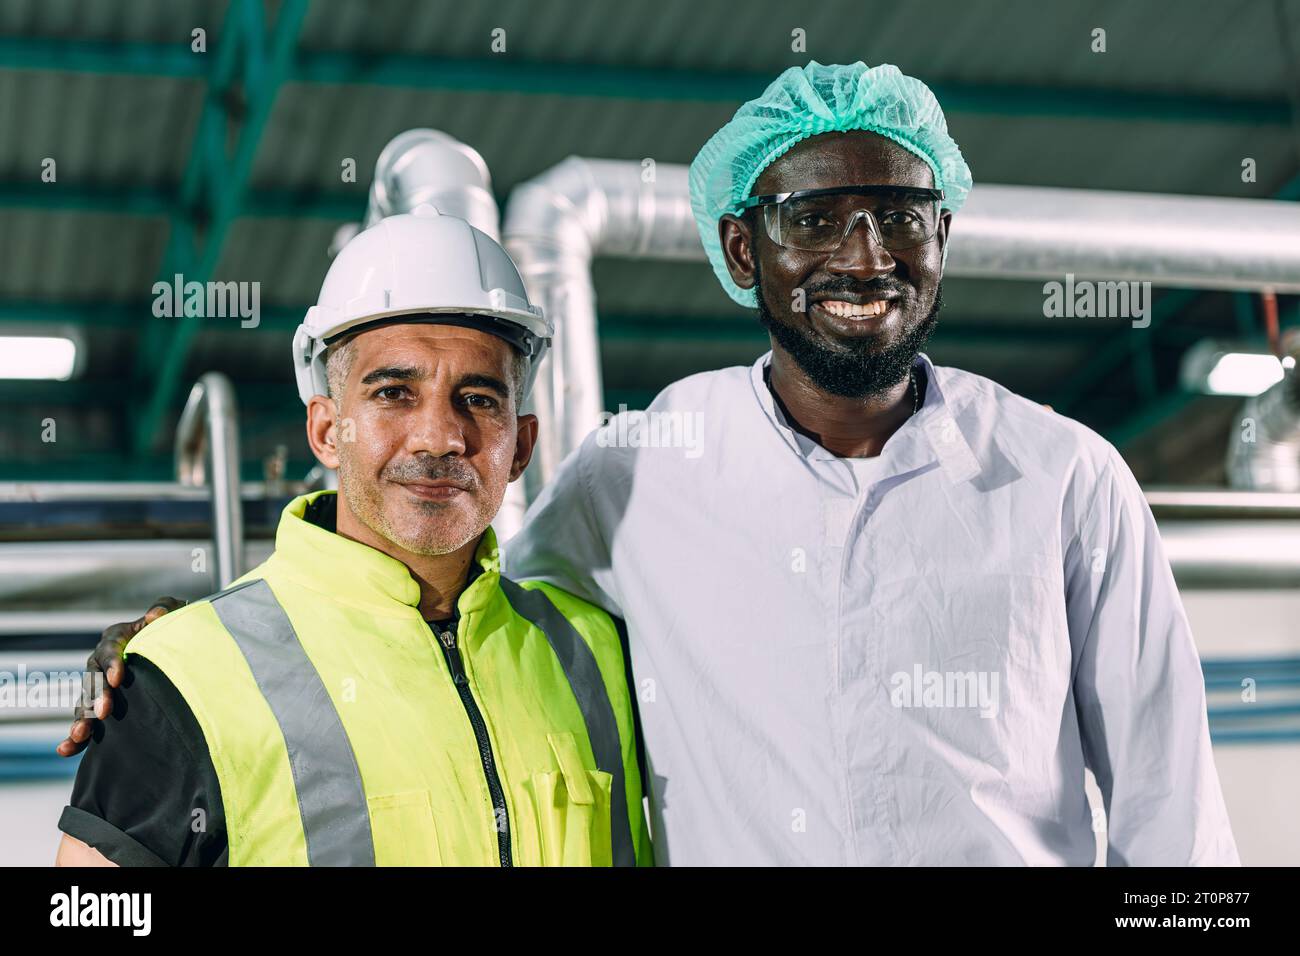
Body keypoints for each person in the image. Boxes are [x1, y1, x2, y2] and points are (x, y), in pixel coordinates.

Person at [66, 62, 1238, 867]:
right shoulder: (645, 470)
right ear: (740, 245)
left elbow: (1176, 829)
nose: (865, 253)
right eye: (815, 219)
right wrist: (180, 653)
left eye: (901, 213)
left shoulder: (1066, 482)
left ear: (946, 234)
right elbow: (435, 589)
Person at [54, 205, 652, 867]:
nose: (440, 437)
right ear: (325, 431)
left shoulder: (602, 654)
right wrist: (163, 656)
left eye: (479, 398)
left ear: (522, 446)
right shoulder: (181, 677)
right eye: (395, 392)